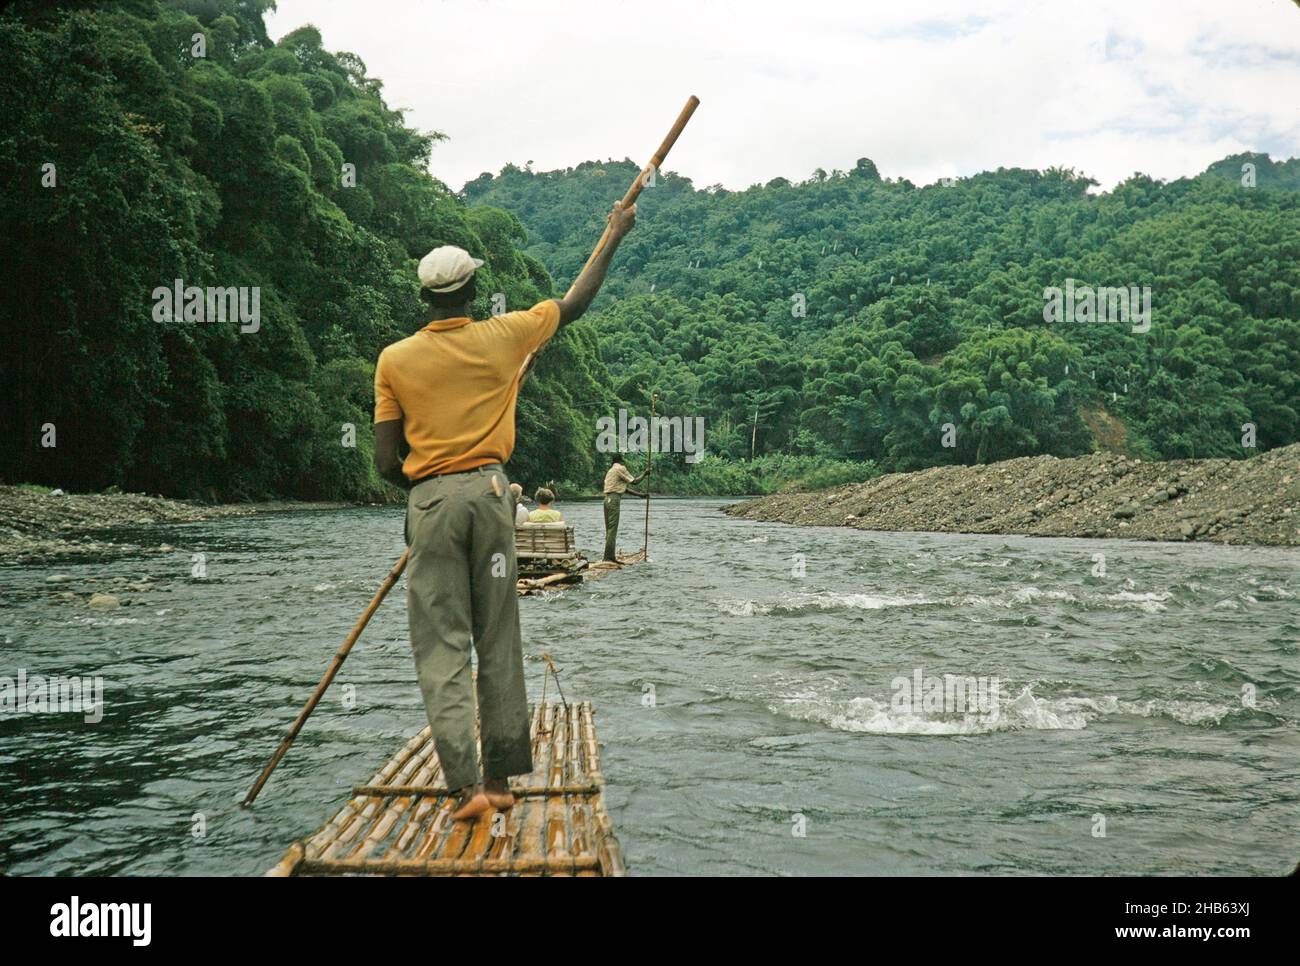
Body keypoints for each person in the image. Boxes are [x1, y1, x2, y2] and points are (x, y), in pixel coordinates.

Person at [372, 200, 636, 821]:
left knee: (442, 648)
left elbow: (386, 461)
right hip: (494, 498)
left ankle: (465, 792)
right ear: (473, 290)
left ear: (425, 296)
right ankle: (501, 781)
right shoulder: (506, 334)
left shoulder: (394, 360)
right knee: (498, 639)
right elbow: (574, 303)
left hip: (431, 500)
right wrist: (613, 233)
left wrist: (425, 493)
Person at [602, 454, 649, 562]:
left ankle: (608, 555)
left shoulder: (611, 470)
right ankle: (609, 557)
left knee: (609, 530)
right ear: (621, 461)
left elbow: (624, 489)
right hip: (614, 499)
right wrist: (645, 473)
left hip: (606, 500)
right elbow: (635, 482)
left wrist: (640, 495)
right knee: (612, 530)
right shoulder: (620, 468)